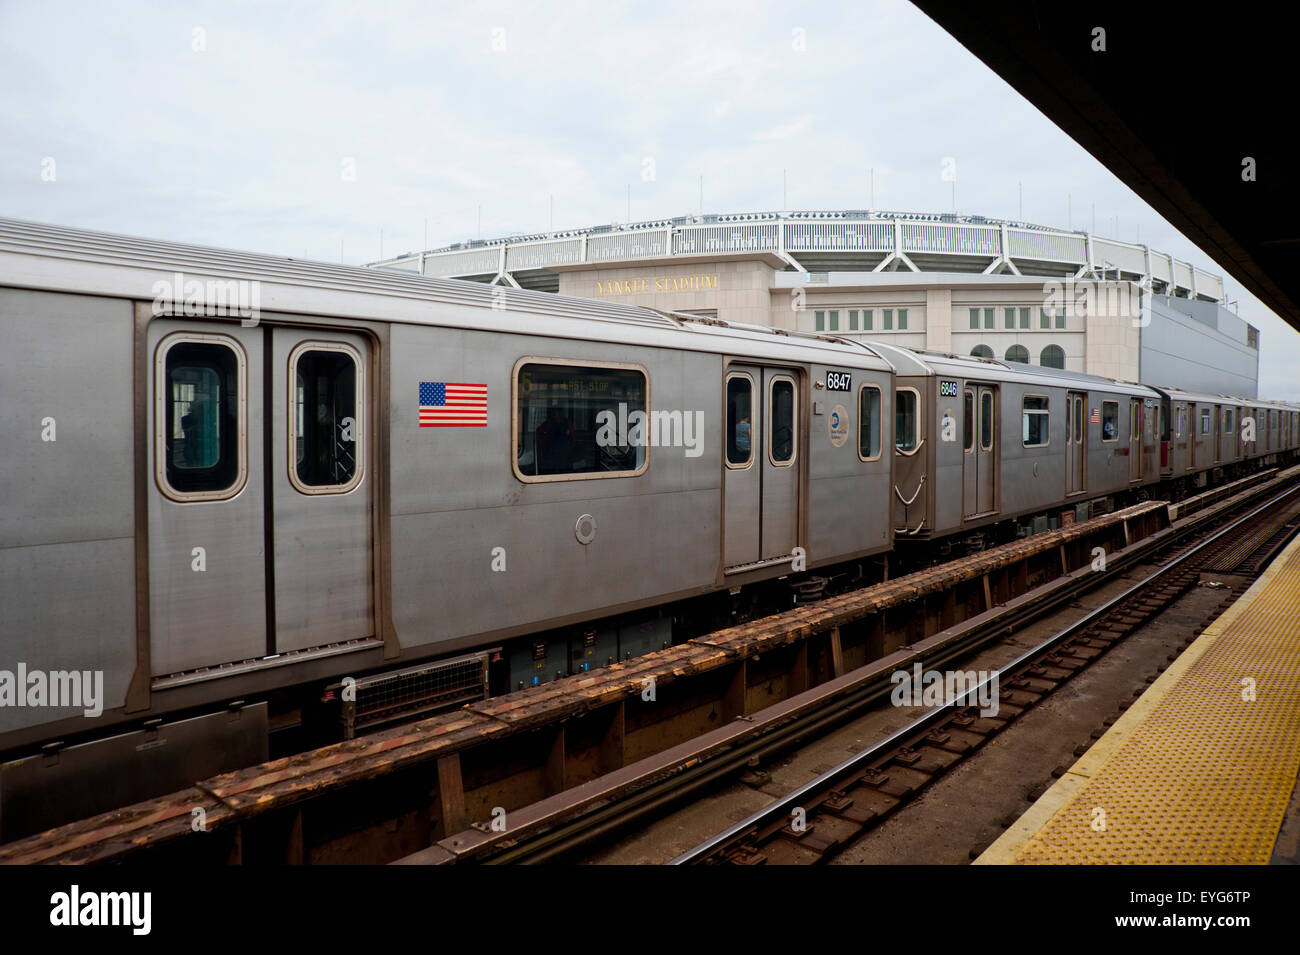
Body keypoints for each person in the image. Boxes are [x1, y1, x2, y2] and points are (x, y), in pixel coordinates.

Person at [536, 406, 574, 474]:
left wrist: (570, 447)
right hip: (551, 452)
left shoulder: (567, 422)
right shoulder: (548, 423)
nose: (558, 414)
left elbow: (572, 437)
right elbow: (539, 433)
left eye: (560, 412)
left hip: (565, 451)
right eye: (555, 412)